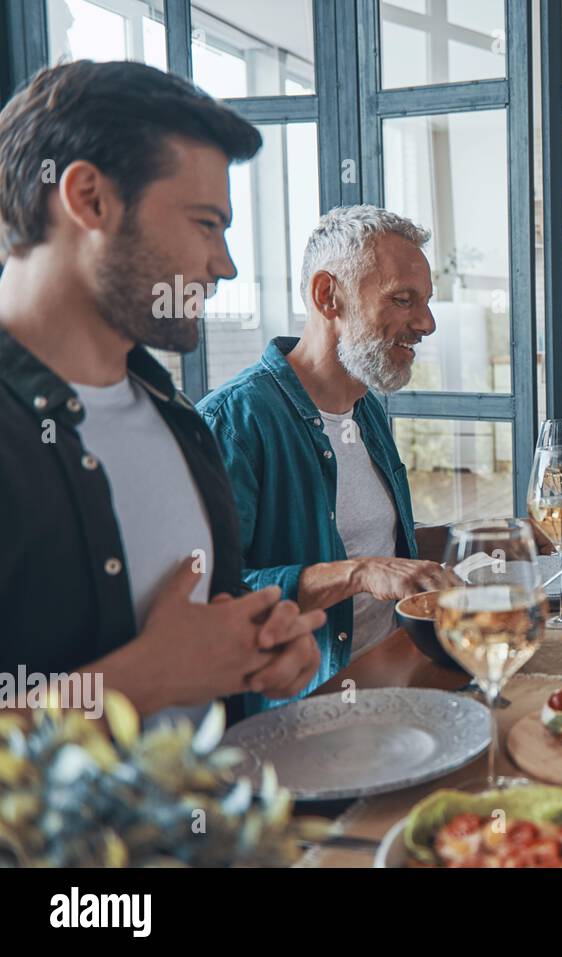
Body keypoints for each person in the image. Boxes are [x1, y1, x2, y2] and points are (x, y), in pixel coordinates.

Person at [0, 61, 323, 720]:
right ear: (89, 198)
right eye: (206, 223)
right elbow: (165, 670)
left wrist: (261, 651)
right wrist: (141, 679)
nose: (226, 264)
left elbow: (206, 656)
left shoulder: (179, 422)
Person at [197, 205, 458, 712]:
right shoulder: (233, 422)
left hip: (394, 672)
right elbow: (212, 595)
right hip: (305, 713)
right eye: (403, 300)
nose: (425, 324)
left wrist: (510, 535)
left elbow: (385, 547)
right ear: (327, 295)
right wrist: (358, 574)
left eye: (426, 303)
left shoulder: (367, 409)